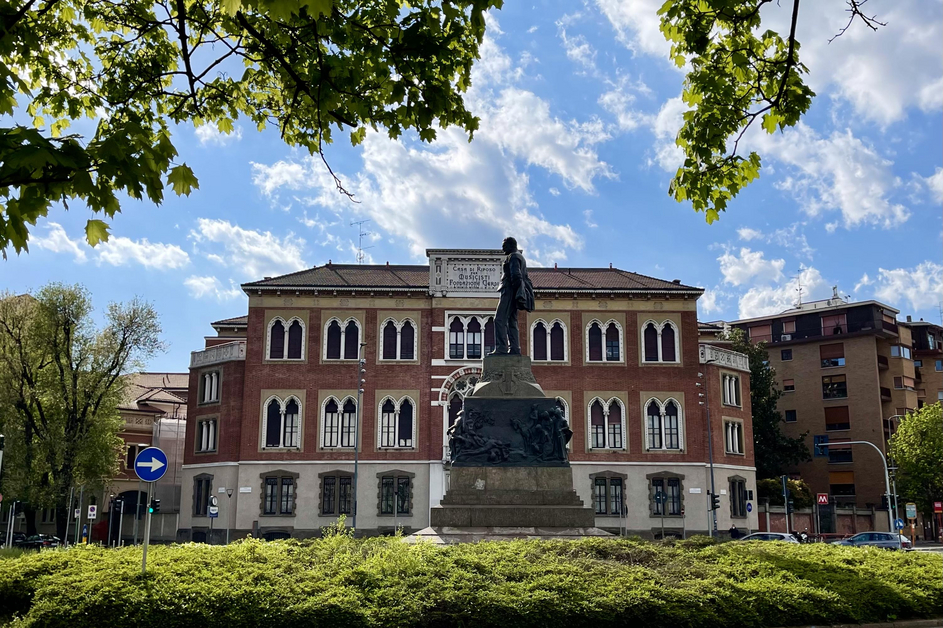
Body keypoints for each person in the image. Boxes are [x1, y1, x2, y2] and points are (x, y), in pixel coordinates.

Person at [490, 236, 535, 355]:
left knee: (499, 319)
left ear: (511, 245)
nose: (502, 248)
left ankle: (501, 348)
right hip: (513, 291)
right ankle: (515, 348)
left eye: (504, 245)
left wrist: (517, 292)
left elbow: (516, 275)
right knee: (511, 321)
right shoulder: (519, 257)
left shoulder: (513, 256)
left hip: (509, 291)